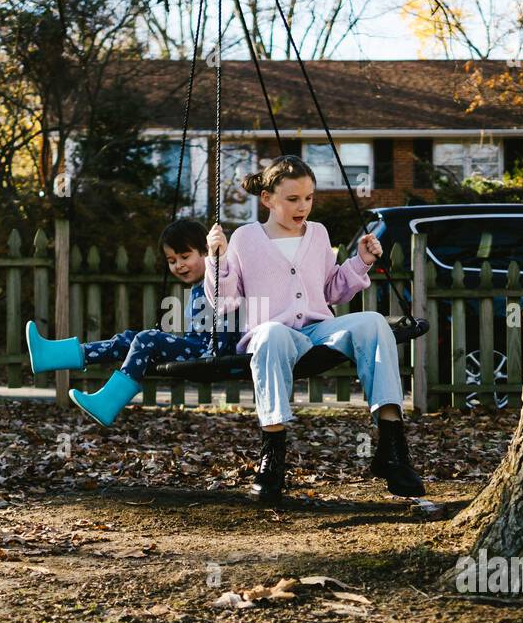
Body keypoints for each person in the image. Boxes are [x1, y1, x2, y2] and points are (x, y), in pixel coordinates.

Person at [205, 154, 425, 504]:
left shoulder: (319, 234)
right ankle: (272, 457)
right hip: (271, 334)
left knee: (373, 323)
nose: (302, 207)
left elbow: (331, 290)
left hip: (318, 333)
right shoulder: (245, 239)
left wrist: (361, 261)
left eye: (308, 198)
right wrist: (215, 260)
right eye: (292, 199)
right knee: (271, 334)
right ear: (268, 199)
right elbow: (224, 301)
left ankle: (392, 449)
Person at [26, 218, 237, 426]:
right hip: (196, 348)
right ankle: (52, 356)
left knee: (147, 339)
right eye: (172, 261)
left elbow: (228, 318)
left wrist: (215, 352)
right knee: (130, 339)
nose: (179, 265)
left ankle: (108, 402)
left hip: (209, 354)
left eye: (184, 256)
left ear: (206, 252)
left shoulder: (220, 281)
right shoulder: (198, 286)